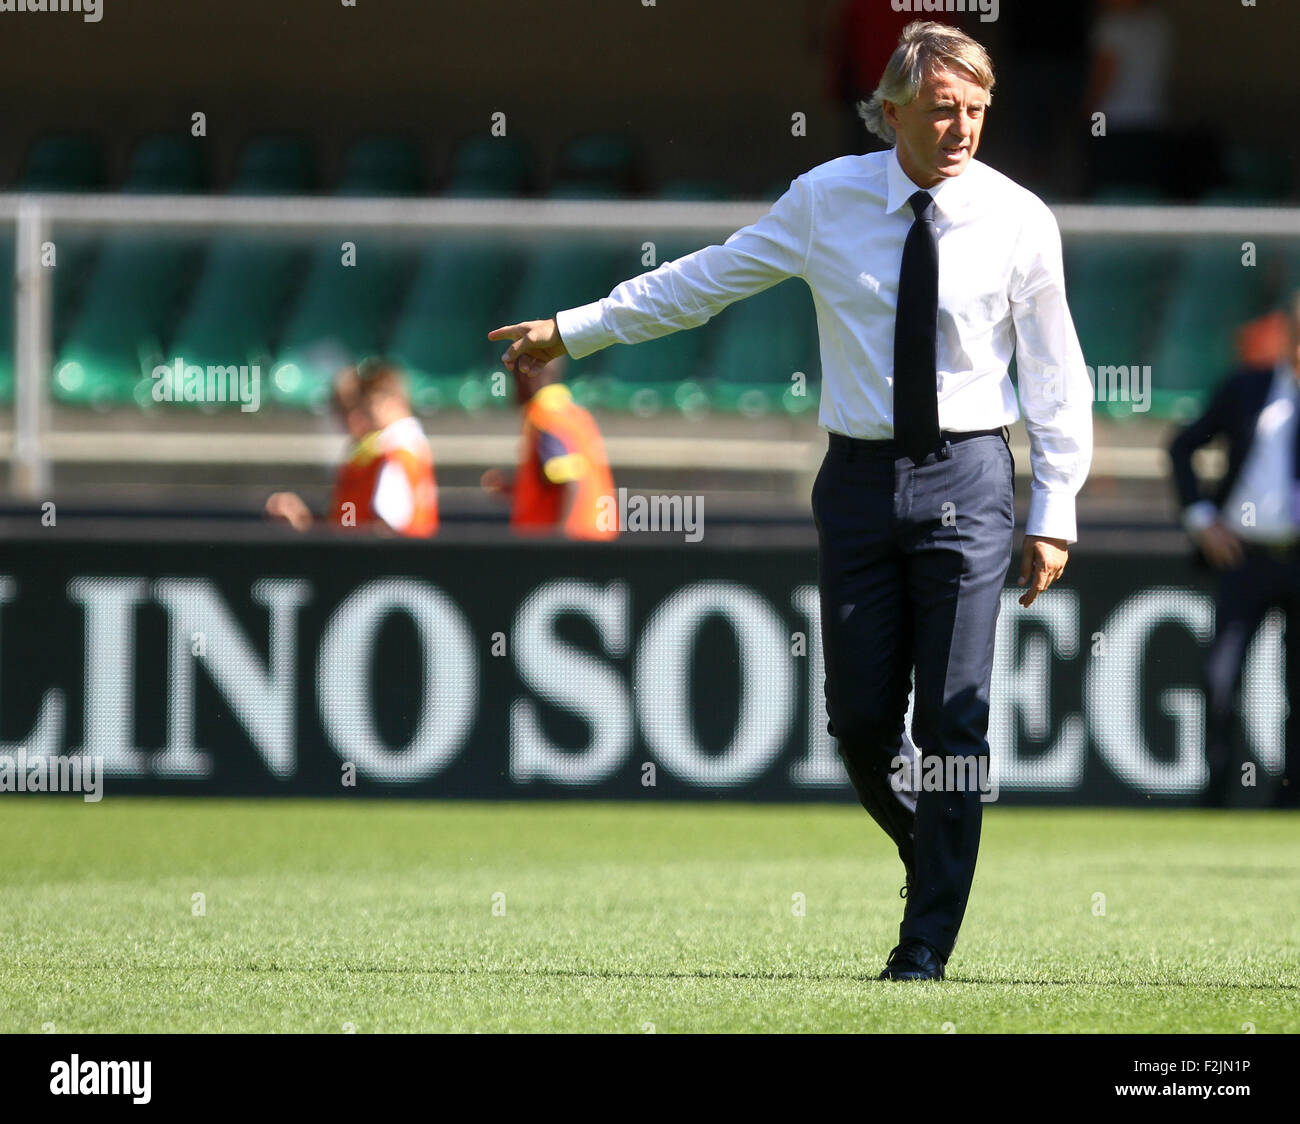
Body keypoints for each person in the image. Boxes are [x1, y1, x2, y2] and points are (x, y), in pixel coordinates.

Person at [490, 21, 1093, 980]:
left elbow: (1058, 378)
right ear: (890, 109)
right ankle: (932, 843)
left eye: (977, 110)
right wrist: (579, 330)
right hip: (855, 483)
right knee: (859, 726)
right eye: (943, 109)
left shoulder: (1020, 219)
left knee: (952, 719)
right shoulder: (826, 199)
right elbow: (706, 283)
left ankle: (925, 940)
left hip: (971, 479)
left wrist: (1053, 508)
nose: (963, 127)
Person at [1168, 292, 1300, 809]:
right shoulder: (1248, 387)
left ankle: (1290, 799)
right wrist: (1202, 520)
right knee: (1220, 675)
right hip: (1245, 557)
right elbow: (1182, 446)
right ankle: (1217, 789)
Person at [265, 360, 439, 537]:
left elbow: (386, 526)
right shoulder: (394, 449)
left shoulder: (393, 453)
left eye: (363, 406)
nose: (351, 419)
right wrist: (306, 523)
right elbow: (349, 522)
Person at [481, 355, 618, 541]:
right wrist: (517, 489)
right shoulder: (577, 414)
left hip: (571, 546)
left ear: (525, 376)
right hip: (596, 537)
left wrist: (557, 546)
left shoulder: (544, 417)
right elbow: (555, 477)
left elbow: (570, 482)